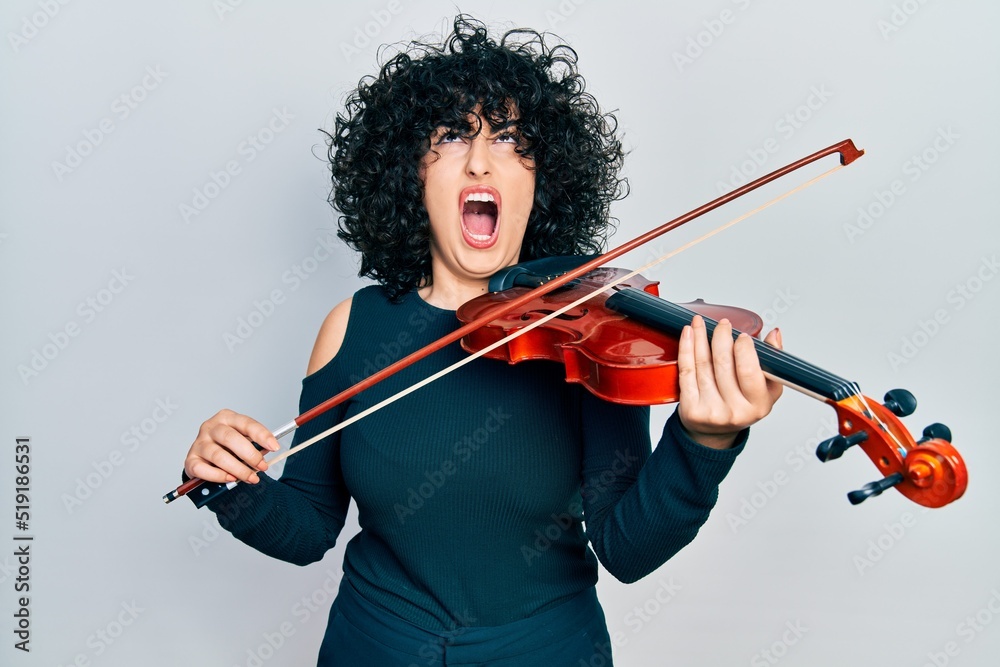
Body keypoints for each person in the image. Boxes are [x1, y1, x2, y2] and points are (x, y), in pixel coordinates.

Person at [182, 15, 782, 666]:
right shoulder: (352, 327)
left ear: (539, 179)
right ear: (411, 174)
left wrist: (705, 441)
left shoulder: (586, 330)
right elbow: (305, 526)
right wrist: (227, 480)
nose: (478, 160)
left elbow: (627, 548)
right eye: (449, 137)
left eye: (507, 138)